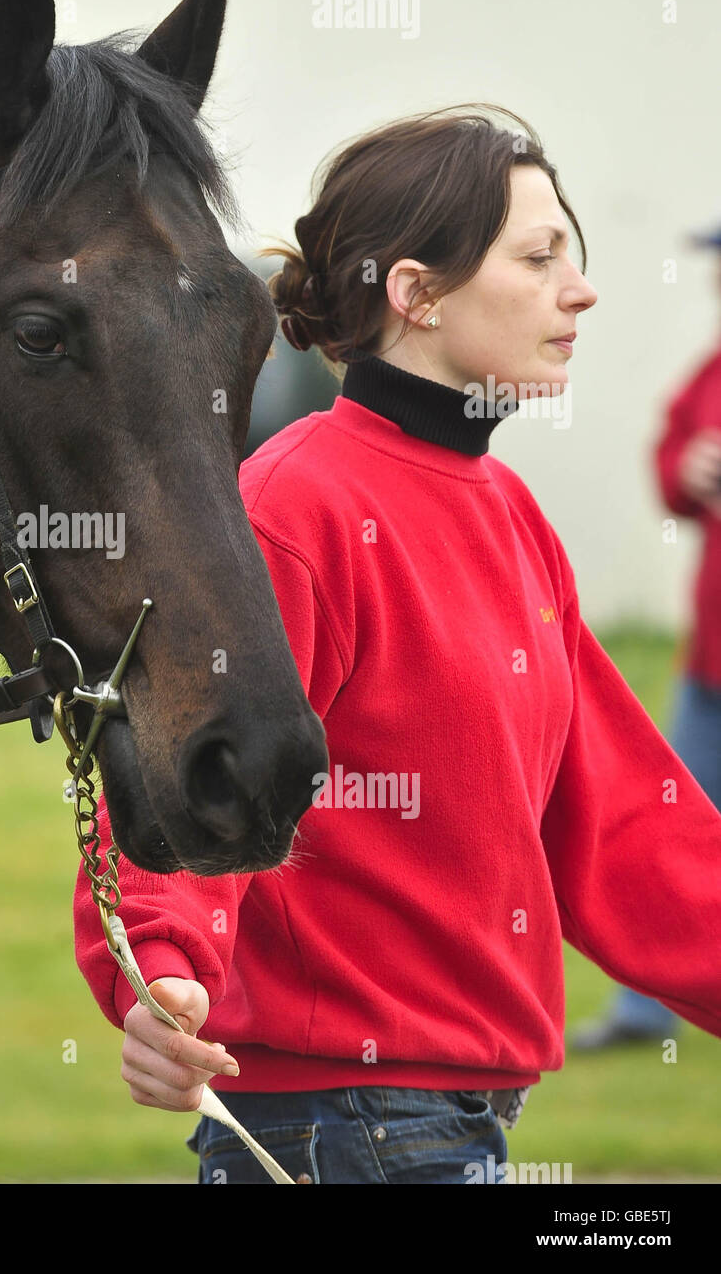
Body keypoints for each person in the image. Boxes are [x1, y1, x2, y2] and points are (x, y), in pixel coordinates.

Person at [73, 105, 721, 1184]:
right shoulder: (296, 507)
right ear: (413, 293)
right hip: (347, 1130)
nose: (580, 288)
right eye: (537, 255)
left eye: (575, 254)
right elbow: (191, 775)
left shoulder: (510, 514)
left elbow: (619, 824)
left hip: (446, 1123)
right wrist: (164, 969)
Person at [572, 222, 721, 1048]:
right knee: (667, 836)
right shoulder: (712, 371)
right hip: (710, 667)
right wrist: (688, 471)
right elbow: (670, 458)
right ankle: (640, 1012)